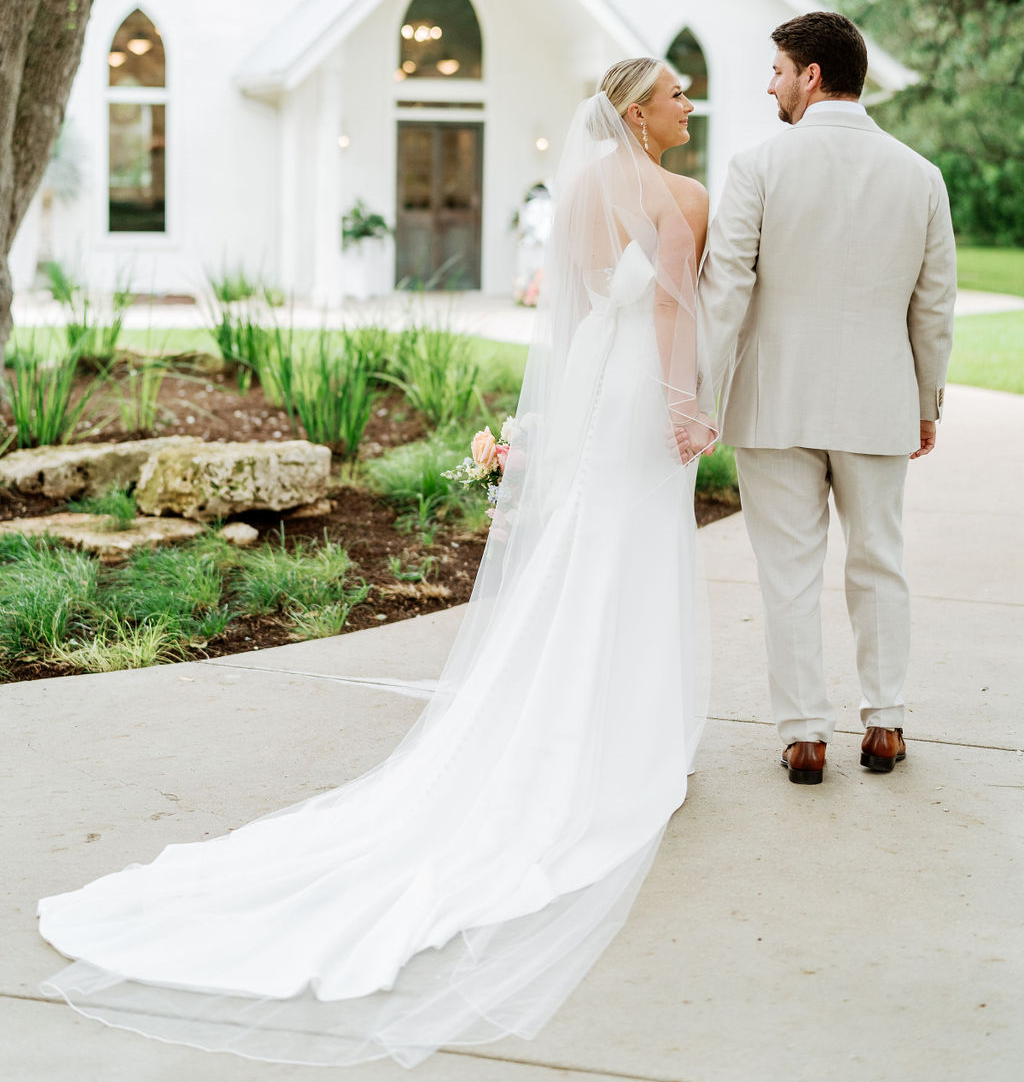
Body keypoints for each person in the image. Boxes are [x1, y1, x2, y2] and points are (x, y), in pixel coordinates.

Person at [38, 59, 716, 1068]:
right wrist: (682, 404)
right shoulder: (684, 197)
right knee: (627, 554)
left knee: (583, 554)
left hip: (587, 389)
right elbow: (666, 312)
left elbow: (575, 305)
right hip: (636, 398)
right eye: (674, 96)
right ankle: (627, 732)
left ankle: (571, 713)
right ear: (635, 113)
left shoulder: (578, 192)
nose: (687, 106)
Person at [698, 11, 957, 786]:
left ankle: (805, 736)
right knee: (881, 560)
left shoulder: (756, 167)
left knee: (788, 572)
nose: (769, 85)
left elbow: (725, 290)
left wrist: (704, 396)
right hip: (879, 399)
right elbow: (934, 304)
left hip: (774, 400)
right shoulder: (919, 175)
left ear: (812, 76)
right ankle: (886, 724)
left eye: (777, 70)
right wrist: (926, 401)